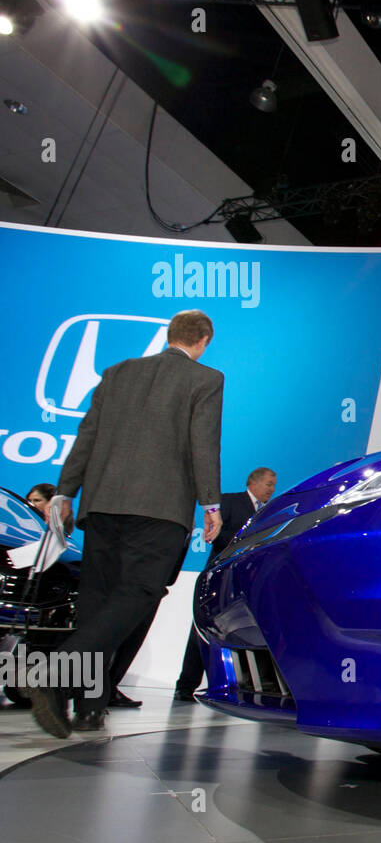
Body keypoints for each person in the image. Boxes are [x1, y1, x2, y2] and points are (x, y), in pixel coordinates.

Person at [30, 310, 223, 737]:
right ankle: (56, 678)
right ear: (203, 340)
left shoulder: (117, 372)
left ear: (171, 335)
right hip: (158, 509)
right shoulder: (205, 380)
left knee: (97, 604)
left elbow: (87, 436)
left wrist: (65, 492)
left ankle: (90, 708)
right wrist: (211, 505)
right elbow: (202, 446)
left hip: (101, 504)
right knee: (138, 594)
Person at [174, 467, 276, 702]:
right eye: (269, 484)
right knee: (202, 633)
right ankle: (185, 685)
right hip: (221, 578)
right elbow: (215, 536)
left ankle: (228, 688)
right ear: (254, 482)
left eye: (274, 485)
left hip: (250, 582)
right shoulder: (230, 502)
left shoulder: (268, 512)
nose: (272, 489)